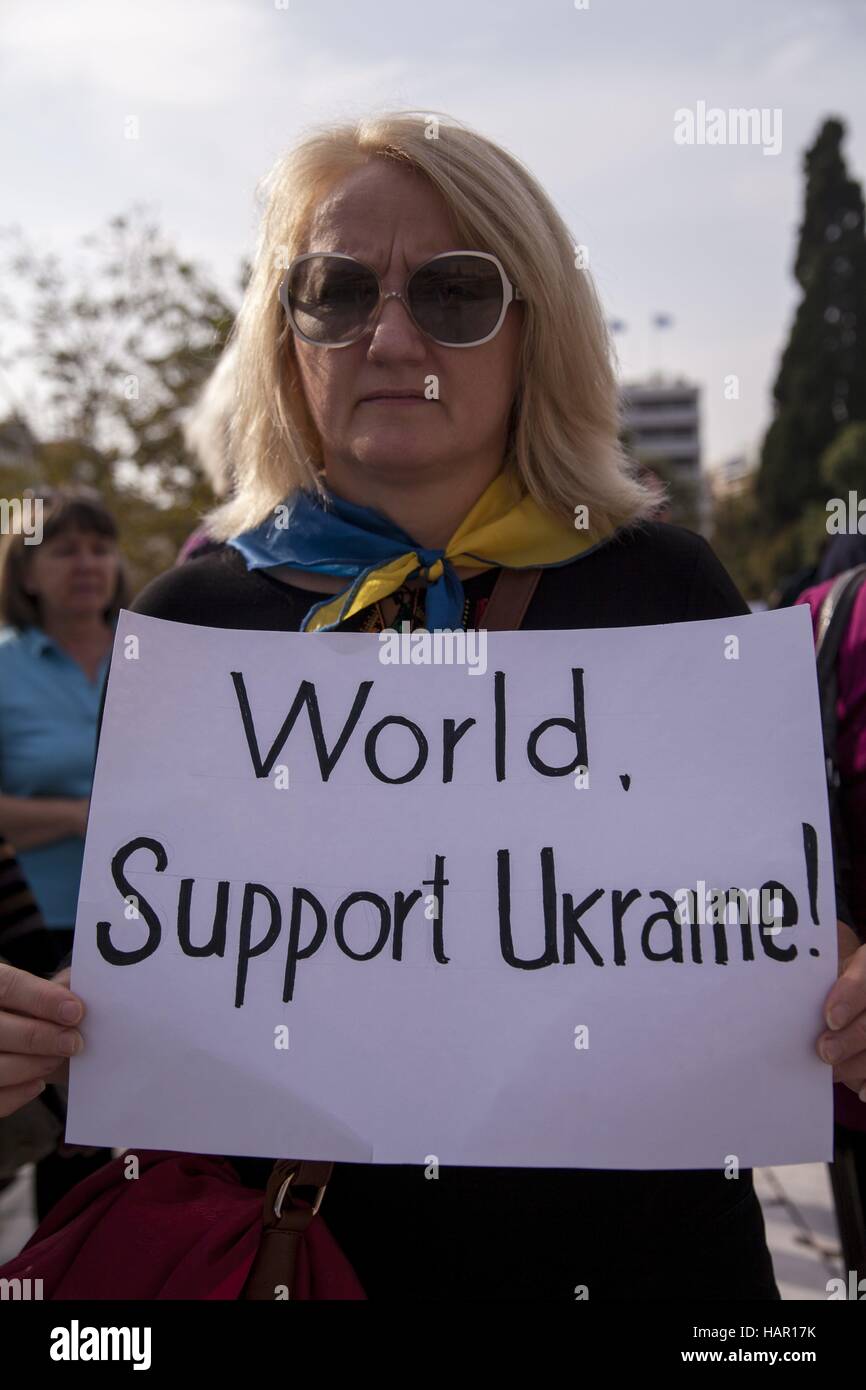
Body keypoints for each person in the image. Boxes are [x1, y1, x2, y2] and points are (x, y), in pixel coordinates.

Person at [1, 111, 865, 1299]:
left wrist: (844, 996)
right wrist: (32, 1063)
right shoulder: (190, 626)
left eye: (454, 292)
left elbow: (791, 936)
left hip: (642, 1272)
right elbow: (143, 1002)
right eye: (335, 290)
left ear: (532, 334)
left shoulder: (669, 593)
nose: (389, 331)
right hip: (310, 1264)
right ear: (284, 331)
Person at [0, 485, 128, 1216]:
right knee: (67, 1147)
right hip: (37, 935)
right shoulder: (5, 667)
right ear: (24, 572)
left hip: (159, 929)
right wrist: (82, 816)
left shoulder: (161, 649)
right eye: (65, 549)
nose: (87, 563)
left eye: (100, 547)